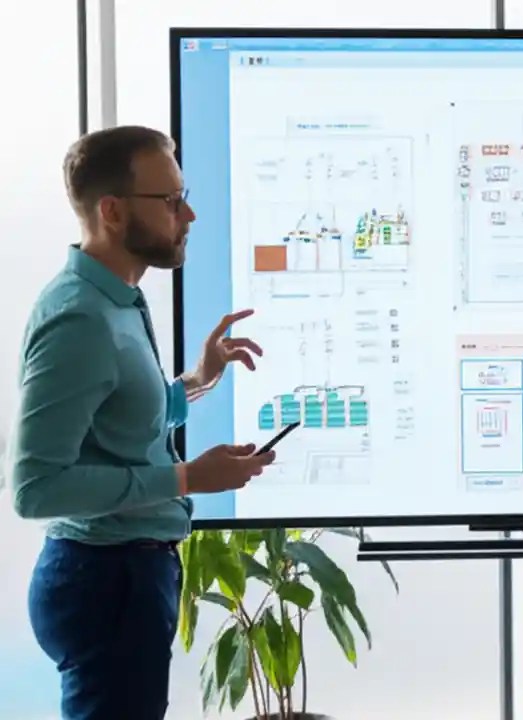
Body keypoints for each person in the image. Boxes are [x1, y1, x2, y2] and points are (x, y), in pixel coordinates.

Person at [9, 125, 276, 720]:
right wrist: (185, 480)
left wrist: (196, 382)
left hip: (126, 573)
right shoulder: (78, 319)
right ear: (111, 211)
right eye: (171, 201)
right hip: (104, 580)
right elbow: (34, 489)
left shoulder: (119, 298)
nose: (190, 213)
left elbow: (121, 422)